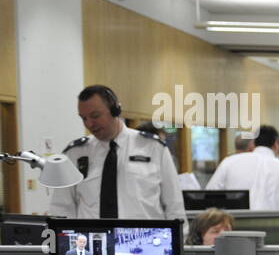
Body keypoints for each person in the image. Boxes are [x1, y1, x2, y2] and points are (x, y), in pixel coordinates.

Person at [50, 85, 184, 221]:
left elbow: (174, 204)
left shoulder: (153, 148)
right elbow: (62, 207)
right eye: (83, 118)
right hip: (93, 239)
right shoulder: (74, 154)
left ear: (115, 110)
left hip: (144, 239)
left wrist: (180, 239)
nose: (89, 124)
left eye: (95, 116)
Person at [205, 125, 279, 211]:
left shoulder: (229, 162)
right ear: (275, 144)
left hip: (234, 225)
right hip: (278, 225)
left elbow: (209, 195)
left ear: (253, 143)